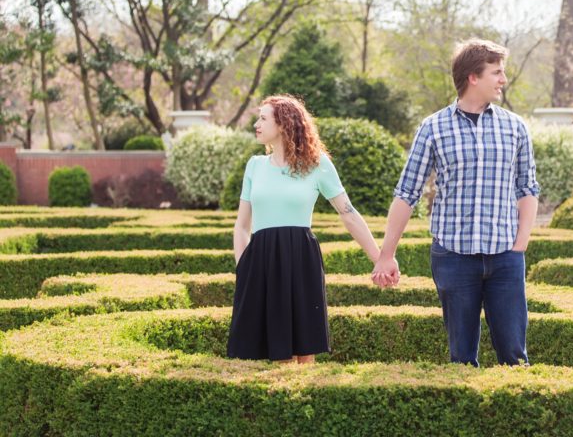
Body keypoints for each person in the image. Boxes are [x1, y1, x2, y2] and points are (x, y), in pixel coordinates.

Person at [372, 39, 540, 367]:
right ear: (472, 77)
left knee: (515, 357)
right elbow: (407, 193)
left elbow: (527, 188)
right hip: (453, 257)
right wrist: (385, 255)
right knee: (461, 359)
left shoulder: (515, 127)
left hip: (505, 257)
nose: (503, 79)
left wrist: (520, 245)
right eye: (497, 72)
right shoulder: (433, 128)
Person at [227, 94, 380, 364]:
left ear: (284, 124)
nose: (256, 124)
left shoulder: (318, 164)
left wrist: (379, 259)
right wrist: (243, 268)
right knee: (273, 352)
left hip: (301, 259)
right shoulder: (254, 166)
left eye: (263, 118)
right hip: (261, 262)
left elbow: (349, 215)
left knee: (304, 350)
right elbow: (241, 226)